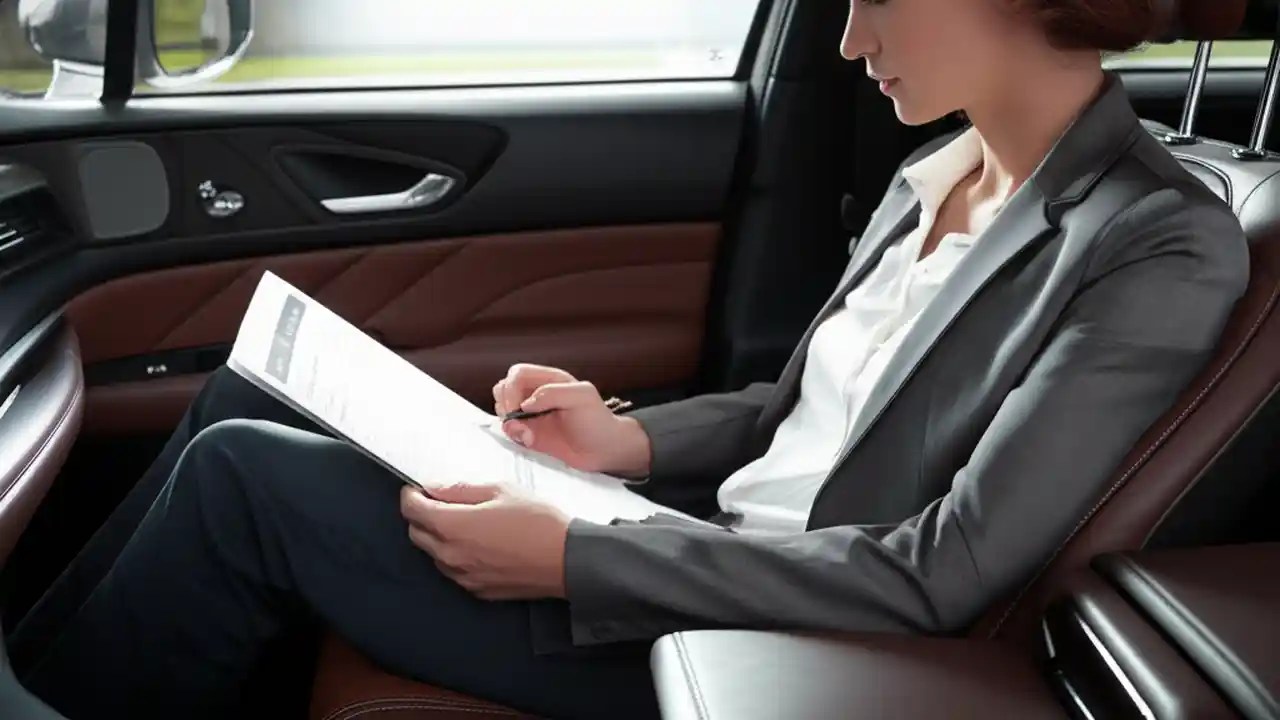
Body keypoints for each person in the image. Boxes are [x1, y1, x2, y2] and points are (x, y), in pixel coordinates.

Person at [9, 1, 1251, 718]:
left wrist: (579, 556)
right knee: (249, 388)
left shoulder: (1152, 242)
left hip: (744, 622)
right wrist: (625, 442)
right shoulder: (937, 171)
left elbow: (943, 576)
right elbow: (796, 411)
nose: (844, 36)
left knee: (244, 476)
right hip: (676, 528)